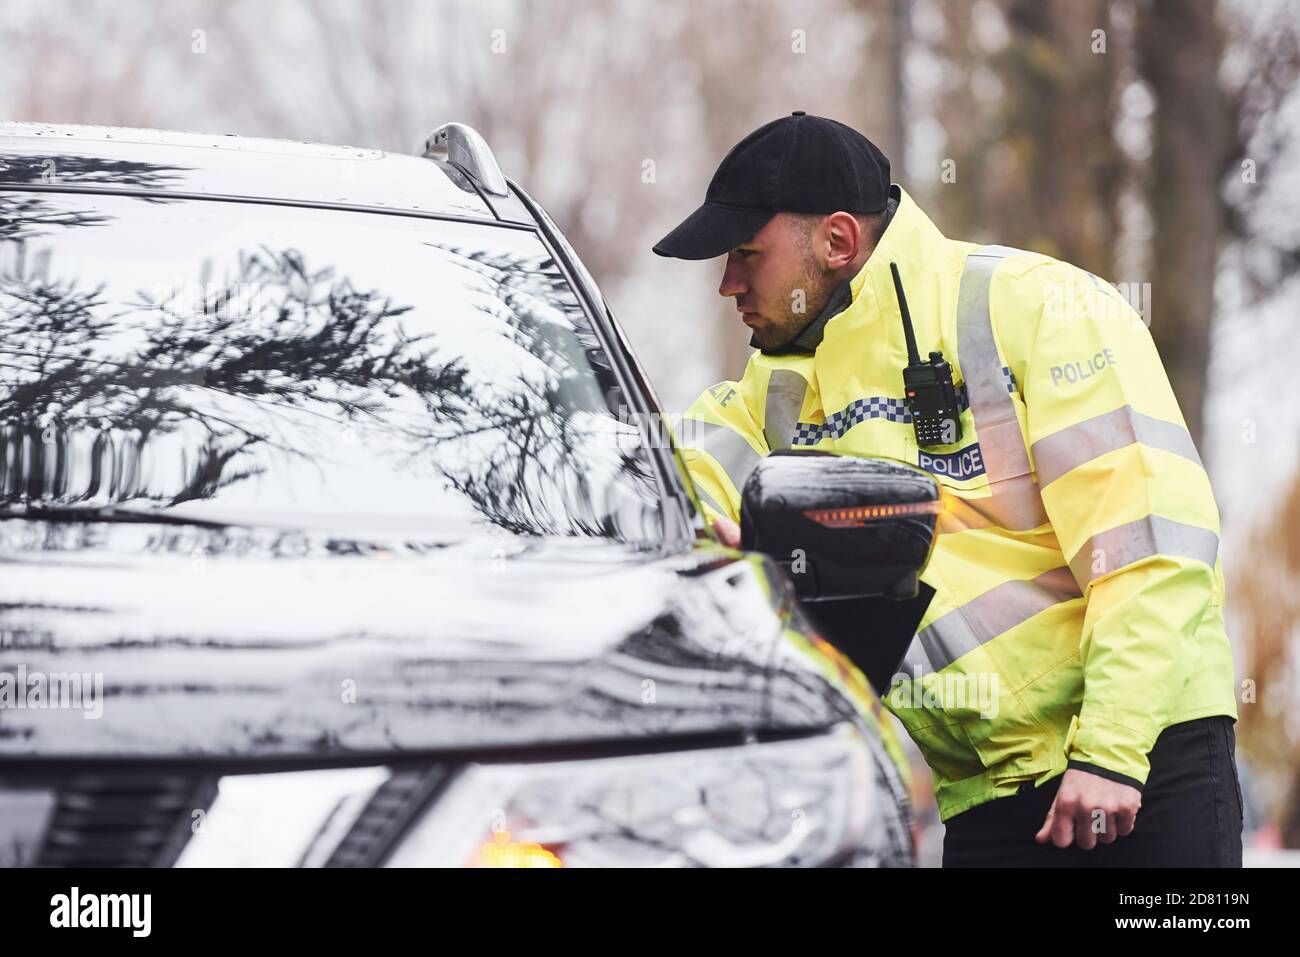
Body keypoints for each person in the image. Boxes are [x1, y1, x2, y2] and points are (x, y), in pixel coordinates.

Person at [652, 111, 1242, 866]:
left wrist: (1110, 753)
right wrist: (703, 521)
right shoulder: (778, 386)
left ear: (837, 242)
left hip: (1144, 771)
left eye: (745, 254)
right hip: (984, 794)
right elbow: (684, 462)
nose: (728, 284)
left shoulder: (1042, 309)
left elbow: (1147, 547)